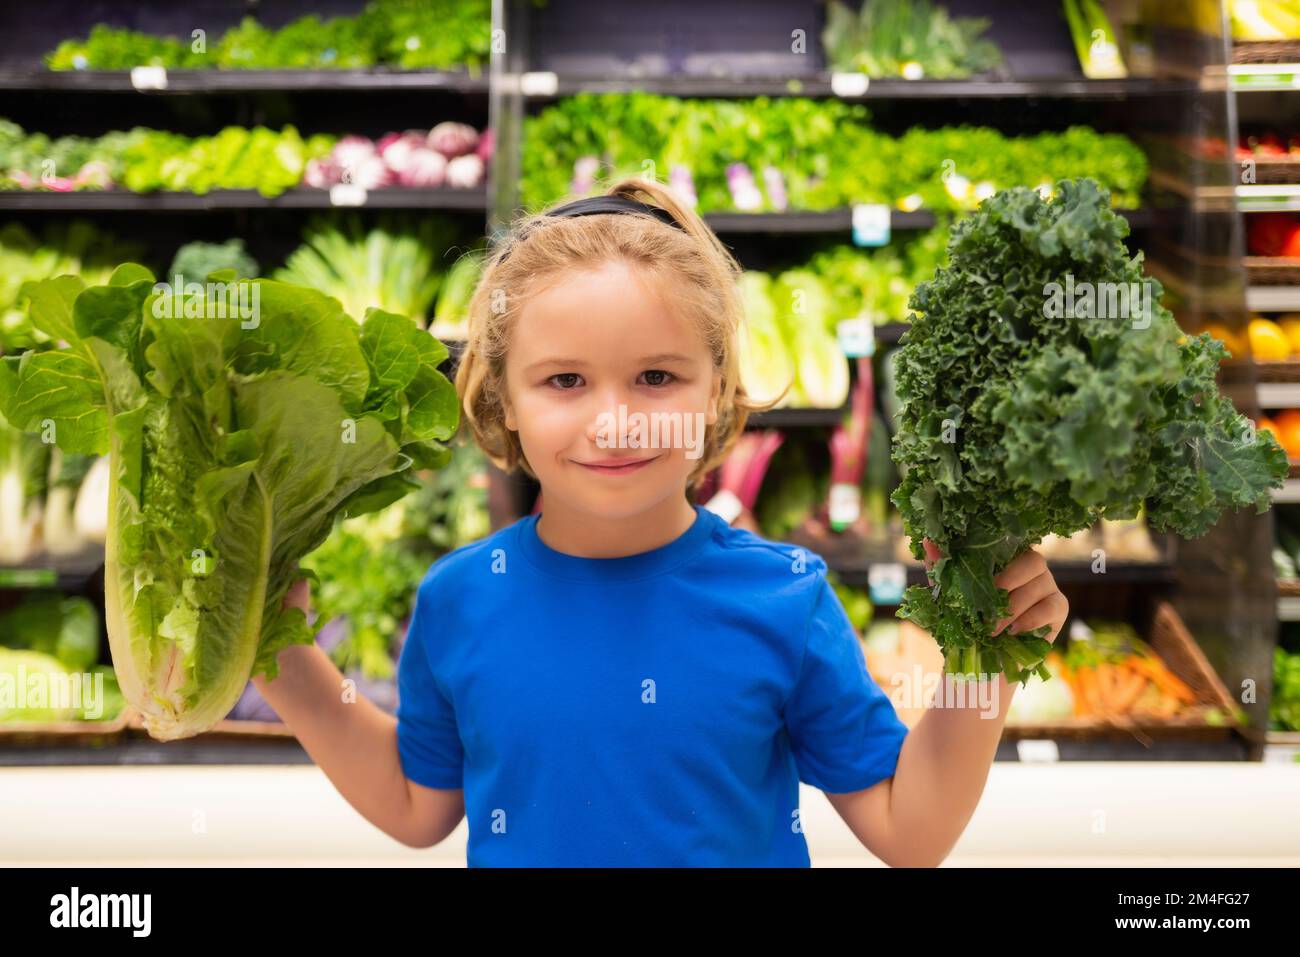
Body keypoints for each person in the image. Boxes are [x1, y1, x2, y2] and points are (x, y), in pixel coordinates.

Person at [254, 177, 1069, 867]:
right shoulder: (460, 597)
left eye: (655, 376)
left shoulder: (784, 597)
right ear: (503, 397)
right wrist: (284, 663)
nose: (614, 422)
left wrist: (981, 656)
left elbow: (908, 826)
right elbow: (416, 805)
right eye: (565, 380)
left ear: (716, 388)